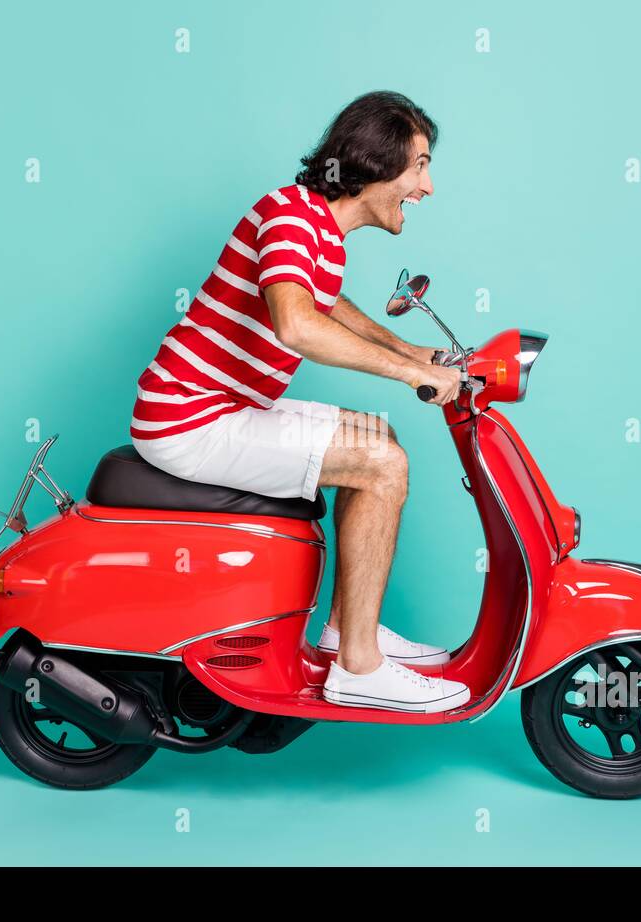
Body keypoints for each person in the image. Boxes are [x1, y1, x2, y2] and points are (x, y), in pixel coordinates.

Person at [130, 91, 468, 713]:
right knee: (383, 466)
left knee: (378, 440)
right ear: (374, 164)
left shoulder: (317, 227)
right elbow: (297, 324)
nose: (427, 186)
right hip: (192, 418)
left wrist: (410, 350)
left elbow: (327, 304)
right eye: (419, 165)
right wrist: (403, 373)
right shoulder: (289, 217)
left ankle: (347, 632)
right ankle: (359, 669)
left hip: (223, 408)